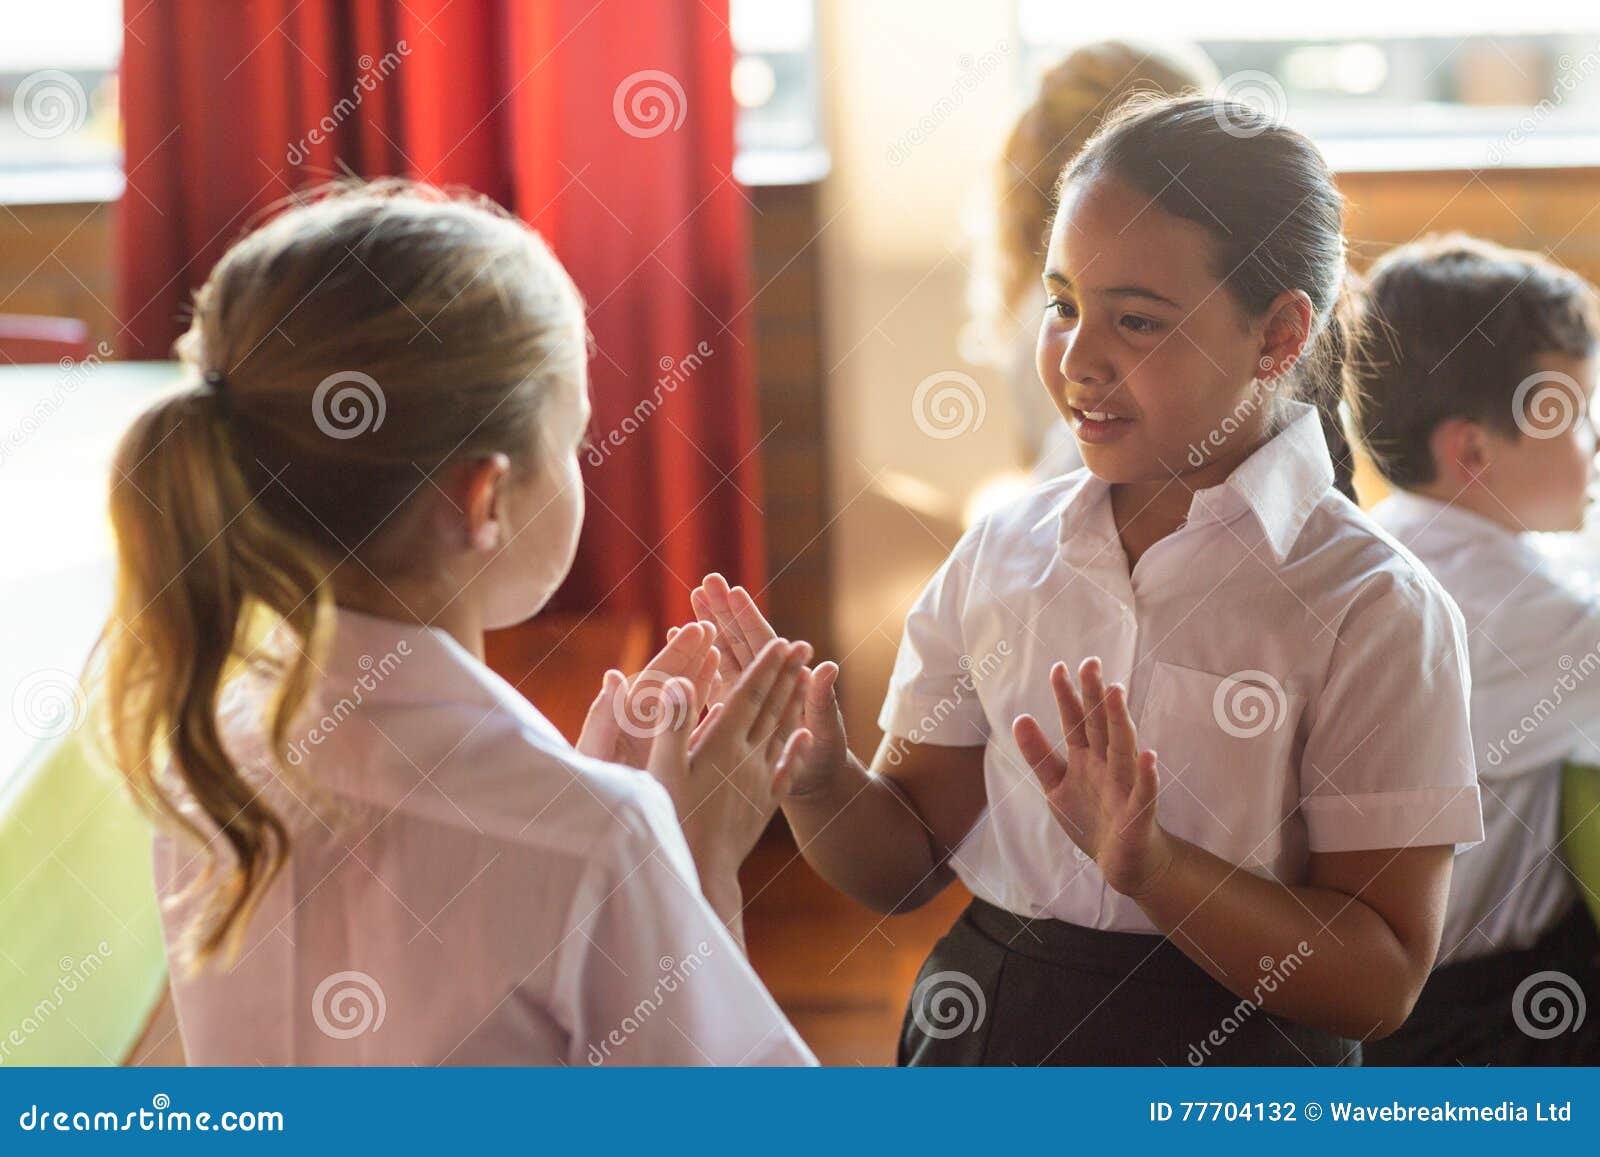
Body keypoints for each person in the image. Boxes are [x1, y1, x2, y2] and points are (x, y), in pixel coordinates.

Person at [693, 95, 1484, 1066]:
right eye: (1063, 303)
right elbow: (899, 863)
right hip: (988, 1030)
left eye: (1137, 320)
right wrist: (815, 781)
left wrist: (1156, 869)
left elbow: (1379, 975)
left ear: (1278, 336)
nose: (1075, 358)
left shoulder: (1373, 607)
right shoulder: (1003, 554)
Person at [91, 180, 817, 1066]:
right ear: (485, 497)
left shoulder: (206, 761)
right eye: (575, 443)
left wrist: (579, 793)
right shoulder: (598, 841)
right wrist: (690, 867)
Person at [1357, 233, 1600, 1064]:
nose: (1592, 444)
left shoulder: (1379, 545)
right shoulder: (1542, 618)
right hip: (1472, 1013)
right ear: (1472, 451)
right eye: (1573, 417)